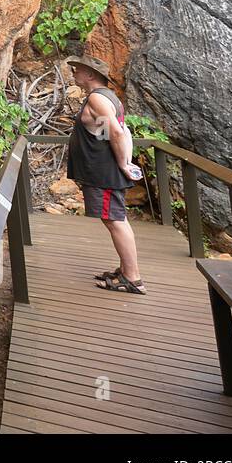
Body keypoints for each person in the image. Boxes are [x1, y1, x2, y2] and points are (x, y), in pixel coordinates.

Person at [64, 55, 148, 295]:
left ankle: (133, 278)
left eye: (77, 69)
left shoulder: (97, 99)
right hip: (103, 172)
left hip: (105, 174)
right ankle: (125, 270)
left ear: (90, 74)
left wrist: (123, 164)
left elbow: (118, 134)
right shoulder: (106, 98)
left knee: (115, 221)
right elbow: (118, 132)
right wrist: (125, 162)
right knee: (114, 219)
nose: (74, 72)